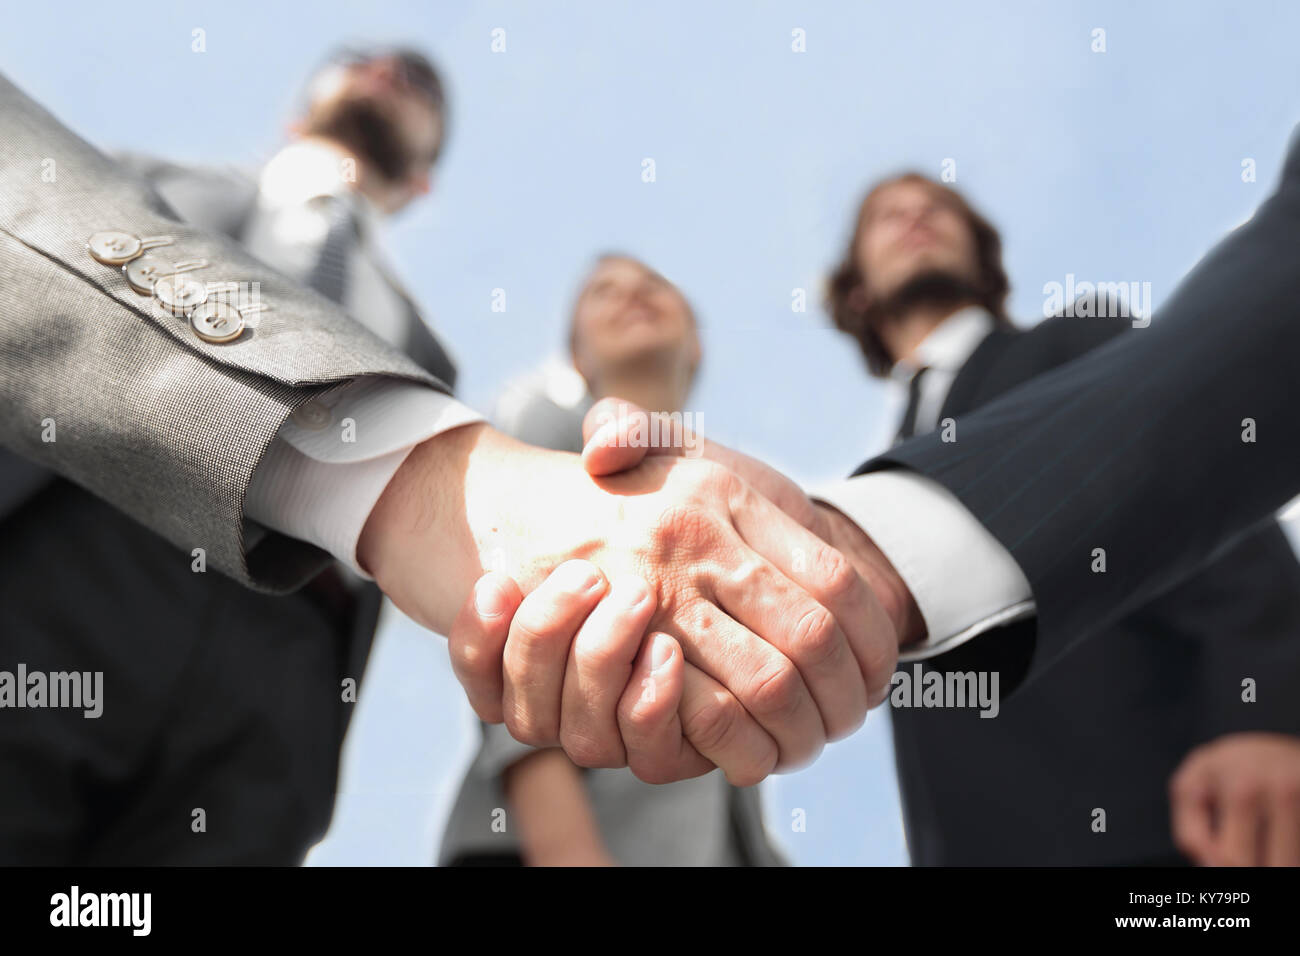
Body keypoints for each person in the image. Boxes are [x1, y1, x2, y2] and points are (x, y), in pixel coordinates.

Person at [0, 70, 897, 862]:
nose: (393, 75)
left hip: (286, 668)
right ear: (296, 108)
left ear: (422, 175)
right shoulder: (115, 181)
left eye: (424, 91)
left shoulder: (426, 355)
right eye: (370, 65)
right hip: (77, 542)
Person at [446, 123, 1300, 863]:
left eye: (937, 206)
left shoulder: (1081, 346)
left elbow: (1215, 486)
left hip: (1179, 826)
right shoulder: (878, 476)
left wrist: (1266, 714)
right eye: (885, 216)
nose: (916, 215)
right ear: (855, 289)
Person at [440, 255, 783, 866]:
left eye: (654, 284)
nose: (633, 295)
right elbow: (513, 658)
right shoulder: (541, 436)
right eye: (603, 292)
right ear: (576, 356)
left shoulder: (725, 505)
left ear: (697, 344)